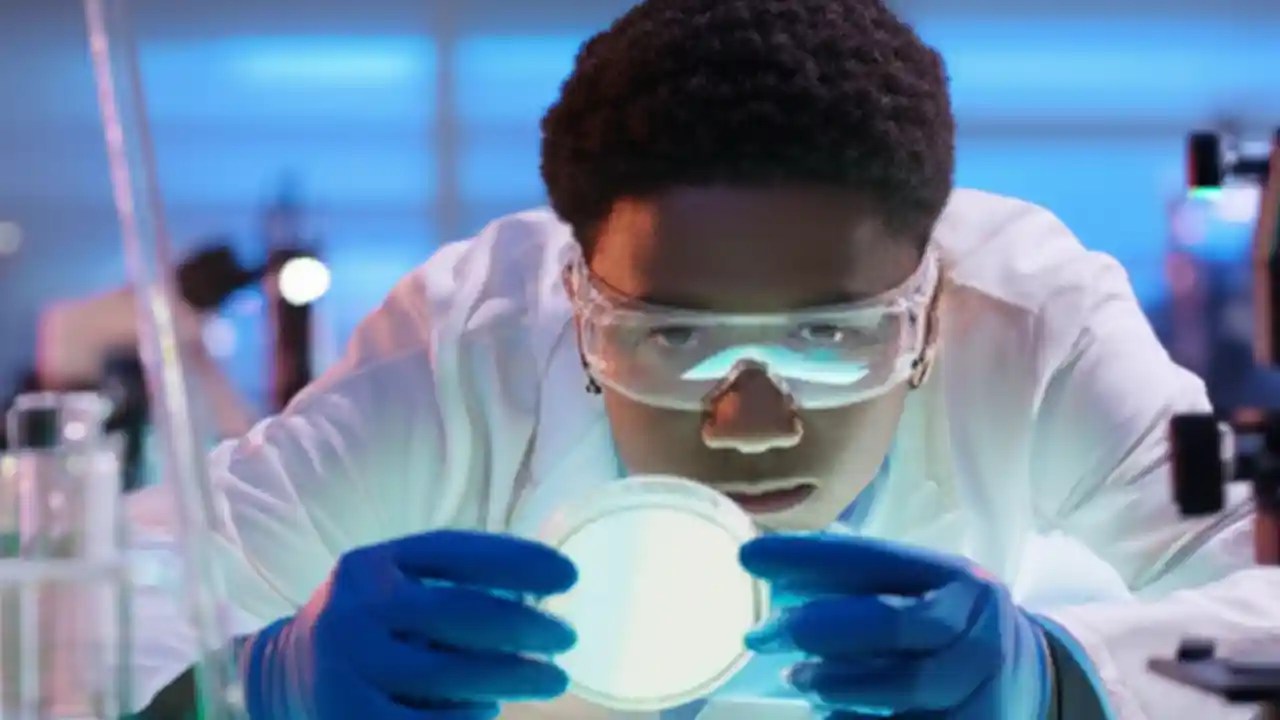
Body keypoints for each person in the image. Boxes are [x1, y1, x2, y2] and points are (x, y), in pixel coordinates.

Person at [124, 0, 1278, 718]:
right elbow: (93, 609)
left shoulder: (1029, 320)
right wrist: (253, 687)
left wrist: (1063, 685)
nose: (751, 423)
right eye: (671, 335)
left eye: (830, 336)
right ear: (578, 304)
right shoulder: (465, 350)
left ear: (926, 308)